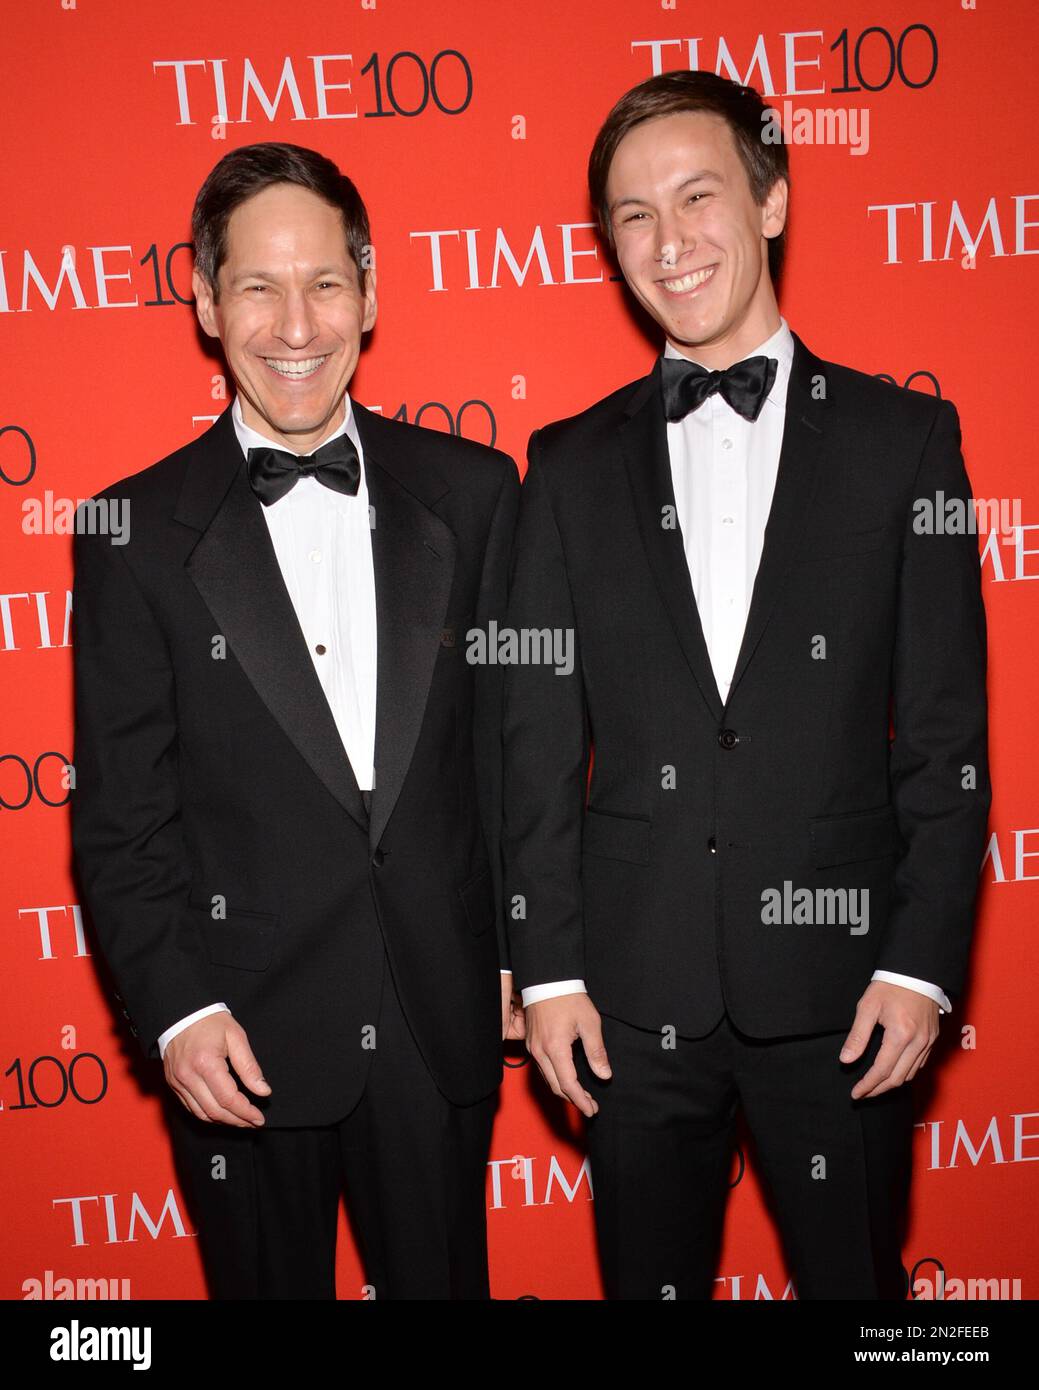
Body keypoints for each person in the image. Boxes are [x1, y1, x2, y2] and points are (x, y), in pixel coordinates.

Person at [502, 71, 990, 1300]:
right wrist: (548, 970)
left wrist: (921, 965)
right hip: (627, 1003)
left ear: (771, 201)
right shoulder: (562, 466)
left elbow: (944, 738)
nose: (669, 242)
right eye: (632, 215)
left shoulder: (903, 443)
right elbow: (536, 744)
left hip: (845, 997)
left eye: (699, 195)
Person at [71, 141, 521, 1300]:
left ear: (370, 289)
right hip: (242, 1034)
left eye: (324, 282)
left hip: (438, 1016)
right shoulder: (132, 530)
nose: (296, 324)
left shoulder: (475, 496)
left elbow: (512, 759)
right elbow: (125, 815)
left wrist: (530, 950)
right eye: (258, 287)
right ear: (205, 299)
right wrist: (176, 1007)